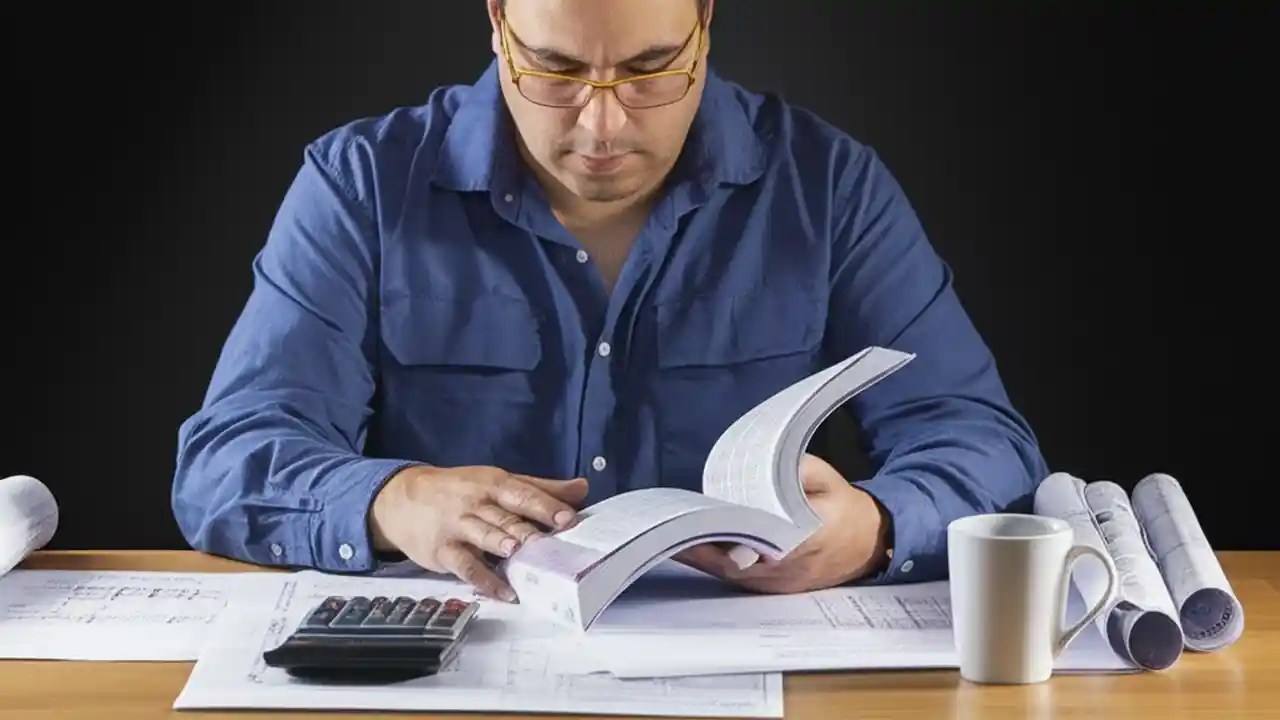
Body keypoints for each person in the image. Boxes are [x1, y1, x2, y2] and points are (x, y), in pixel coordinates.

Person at [171, 0, 1048, 602]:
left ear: (705, 23)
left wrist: (875, 528)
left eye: (650, 70)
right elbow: (229, 455)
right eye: (551, 71)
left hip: (747, 671)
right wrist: (392, 500)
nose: (602, 127)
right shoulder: (361, 185)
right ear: (496, 22)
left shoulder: (828, 188)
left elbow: (981, 439)